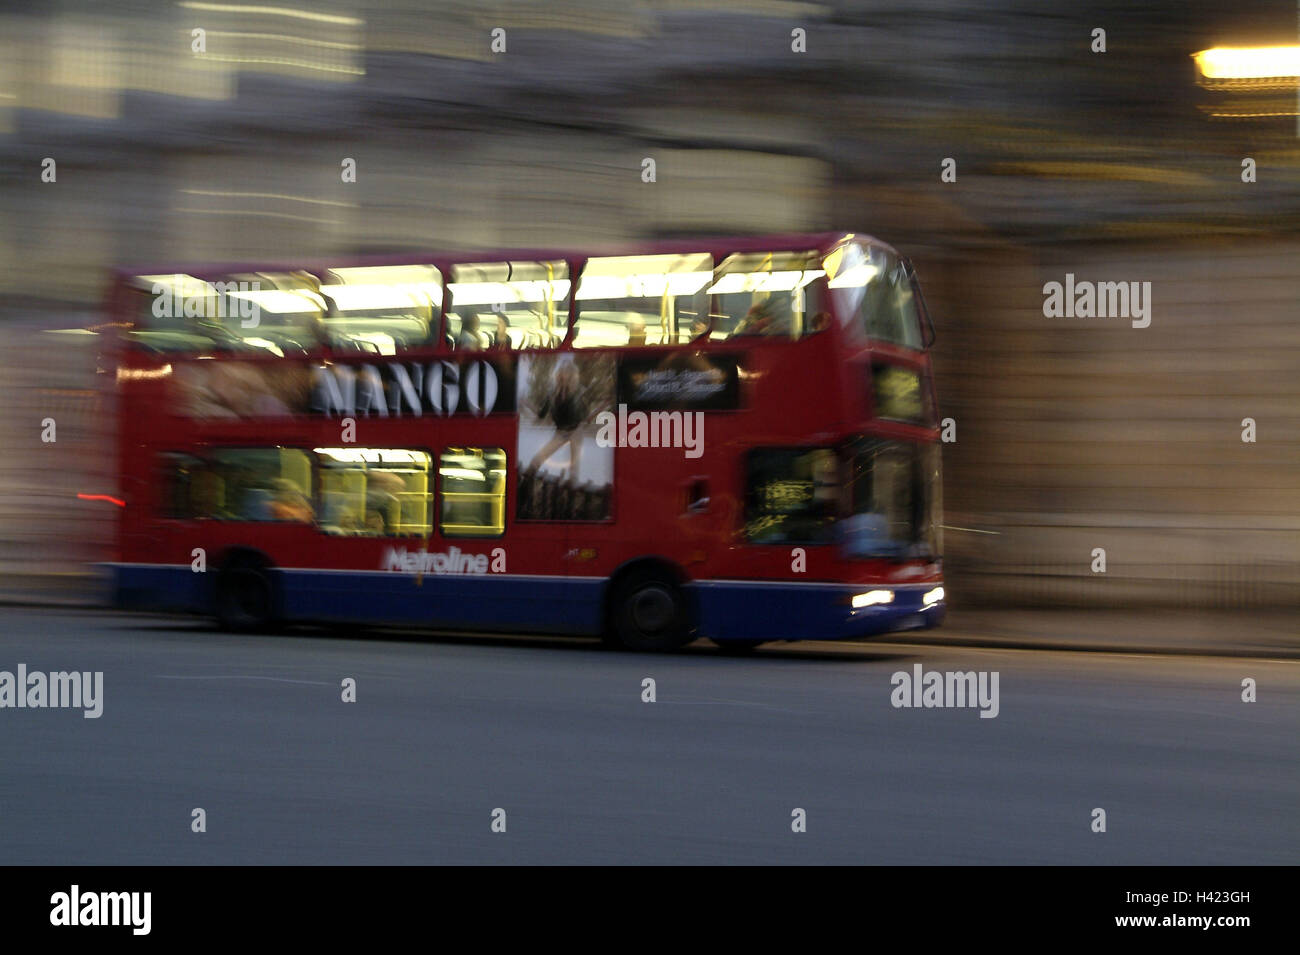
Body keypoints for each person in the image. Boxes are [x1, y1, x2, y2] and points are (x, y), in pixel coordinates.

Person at [525, 362, 589, 490]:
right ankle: (525, 486)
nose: (564, 375)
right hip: (560, 432)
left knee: (573, 472)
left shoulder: (578, 393)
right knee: (536, 460)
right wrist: (527, 404)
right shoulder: (552, 393)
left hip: (576, 431)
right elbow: (541, 414)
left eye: (567, 373)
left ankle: (571, 495)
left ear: (572, 376)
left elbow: (584, 415)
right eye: (562, 372)